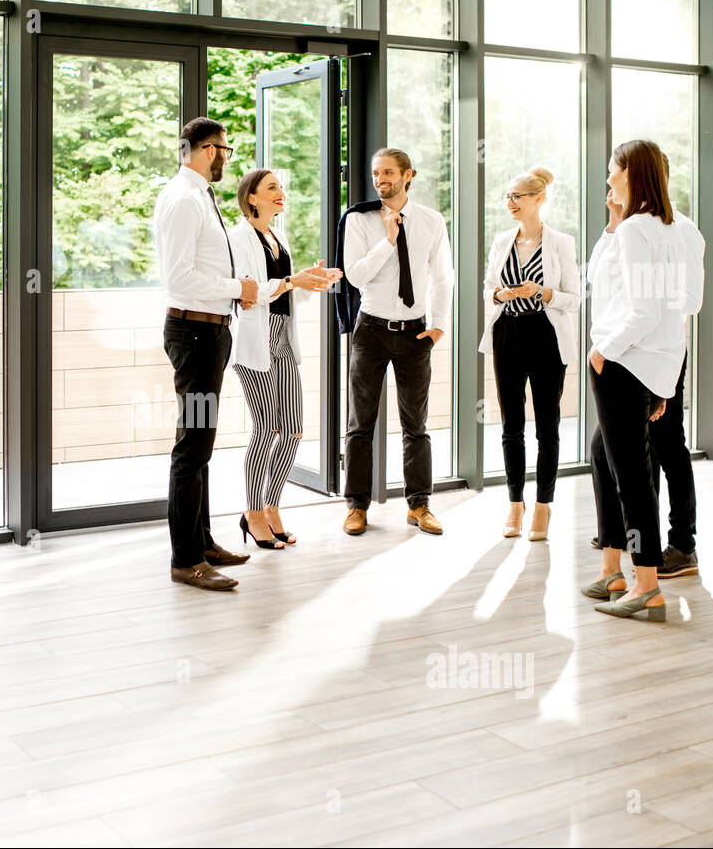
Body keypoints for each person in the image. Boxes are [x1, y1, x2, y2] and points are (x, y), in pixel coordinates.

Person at [582, 138, 687, 622]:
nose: (608, 179)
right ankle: (614, 569)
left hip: (623, 363)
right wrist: (664, 380)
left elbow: (642, 309)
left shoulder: (636, 232)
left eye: (612, 171)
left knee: (631, 475)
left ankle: (645, 582)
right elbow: (682, 306)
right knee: (603, 455)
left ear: (631, 173)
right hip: (651, 363)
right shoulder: (675, 229)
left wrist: (605, 350)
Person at [153, 116, 258, 592]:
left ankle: (203, 541)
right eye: (223, 149)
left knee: (202, 446)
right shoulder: (182, 199)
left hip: (210, 333)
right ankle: (185, 560)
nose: (225, 158)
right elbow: (178, 278)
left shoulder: (198, 195)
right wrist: (239, 286)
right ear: (203, 149)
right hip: (195, 336)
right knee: (192, 447)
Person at [333, 148, 453, 537]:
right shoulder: (358, 220)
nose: (380, 179)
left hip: (415, 332)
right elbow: (355, 275)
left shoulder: (432, 221)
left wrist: (439, 326)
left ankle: (419, 504)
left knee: (415, 424)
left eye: (387, 172)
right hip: (370, 331)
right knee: (360, 423)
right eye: (375, 173)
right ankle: (356, 506)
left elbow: (443, 277)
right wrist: (387, 240)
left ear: (407, 175)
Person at [228, 169, 341, 550]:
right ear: (252, 198)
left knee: (291, 429)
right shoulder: (238, 238)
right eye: (272, 188)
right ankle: (252, 511)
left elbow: (285, 293)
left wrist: (311, 281)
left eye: (281, 187)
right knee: (265, 428)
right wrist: (294, 280)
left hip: (284, 339)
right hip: (255, 343)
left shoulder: (279, 237)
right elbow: (251, 293)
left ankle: (273, 505)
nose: (281, 193)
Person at [477, 166, 580, 542]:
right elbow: (489, 287)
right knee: (511, 425)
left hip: (545, 334)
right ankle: (515, 503)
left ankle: (543, 505)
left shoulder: (561, 243)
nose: (510, 202)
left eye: (517, 196)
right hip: (507, 332)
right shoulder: (502, 240)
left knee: (548, 425)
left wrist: (542, 292)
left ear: (539, 199)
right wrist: (501, 295)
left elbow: (575, 298)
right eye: (508, 196)